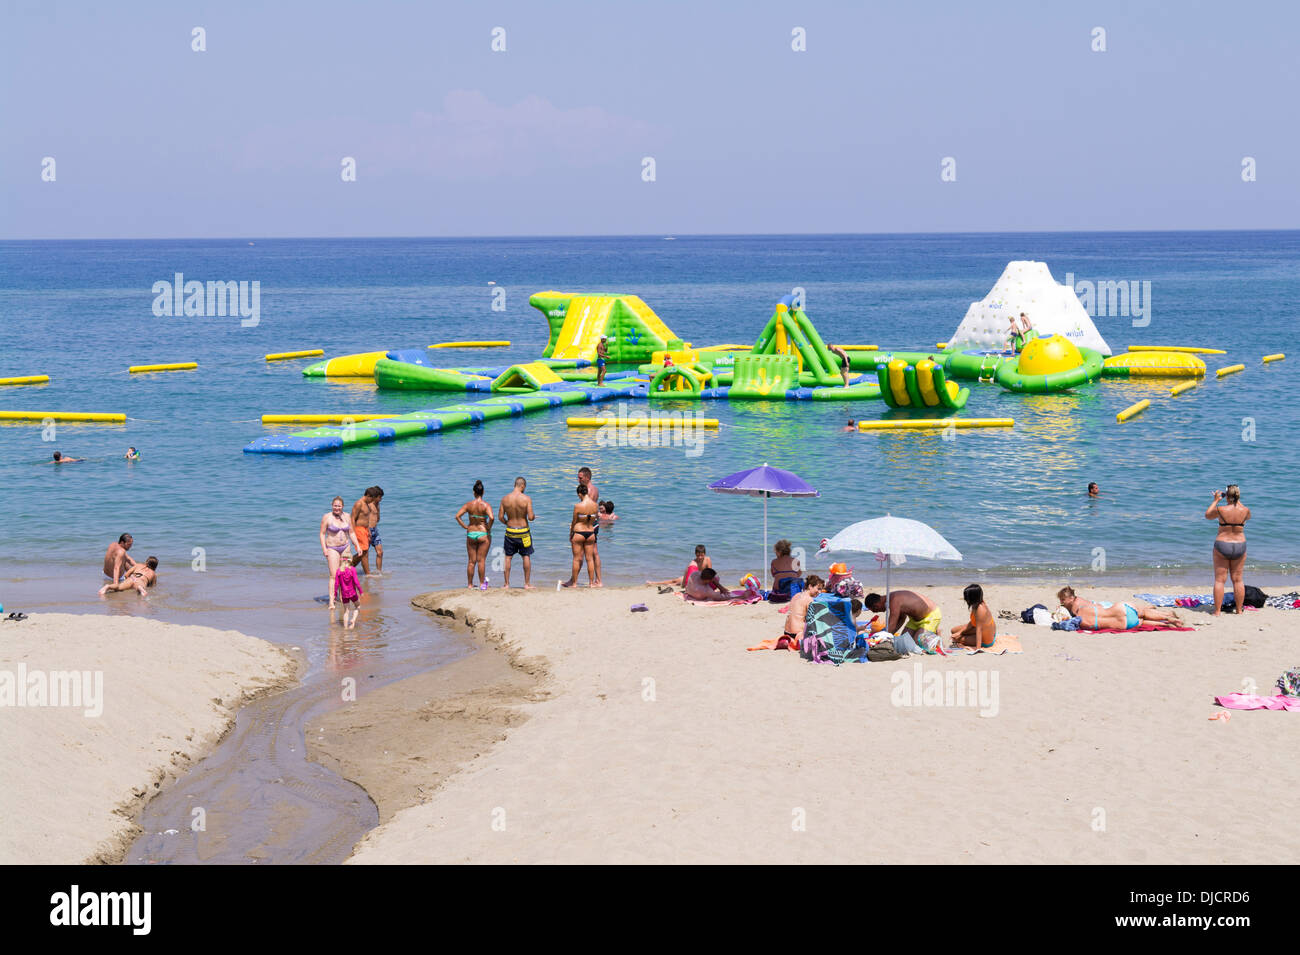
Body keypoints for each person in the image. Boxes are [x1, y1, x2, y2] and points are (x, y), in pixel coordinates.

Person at [1206, 484, 1250, 615]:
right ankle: (1239, 610)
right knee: (1238, 580)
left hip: (1223, 543)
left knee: (1220, 580)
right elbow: (1246, 517)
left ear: (1227, 496)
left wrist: (1215, 501)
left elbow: (1208, 515)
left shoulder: (1221, 509)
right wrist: (1237, 499)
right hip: (1240, 544)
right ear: (1238, 495)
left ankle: (1218, 611)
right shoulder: (1246, 510)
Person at [1056, 586, 1182, 630]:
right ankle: (1168, 617)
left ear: (1071, 599)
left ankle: (1165, 624)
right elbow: (1098, 606)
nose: (1061, 602)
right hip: (1120, 608)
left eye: (1063, 600)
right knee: (1142, 612)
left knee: (1141, 622)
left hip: (1123, 623)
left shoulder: (1080, 617)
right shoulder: (1085, 604)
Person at [320, 496, 360, 612]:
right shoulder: (327, 517)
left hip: (346, 547)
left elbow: (351, 532)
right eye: (335, 505)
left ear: (342, 506)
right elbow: (322, 534)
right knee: (333, 575)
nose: (337, 507)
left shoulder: (347, 516)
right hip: (332, 548)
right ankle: (332, 601)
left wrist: (357, 545)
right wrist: (324, 549)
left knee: (345, 574)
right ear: (332, 505)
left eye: (339, 506)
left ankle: (344, 598)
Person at [499, 476, 536, 589]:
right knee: (526, 556)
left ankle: (506, 584)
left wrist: (507, 523)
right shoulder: (526, 499)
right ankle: (527, 584)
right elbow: (530, 517)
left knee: (508, 557)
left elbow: (500, 517)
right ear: (522, 486)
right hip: (524, 532)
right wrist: (534, 517)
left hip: (510, 532)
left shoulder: (505, 499)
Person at [456, 480, 494, 588]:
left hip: (471, 533)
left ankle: (470, 584)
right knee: (481, 561)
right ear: (483, 492)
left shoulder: (468, 505)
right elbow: (491, 518)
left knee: (471, 561)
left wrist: (464, 526)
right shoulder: (486, 505)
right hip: (483, 533)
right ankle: (482, 584)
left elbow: (457, 516)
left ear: (474, 492)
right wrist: (488, 528)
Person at [563, 483, 600, 588]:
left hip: (579, 532)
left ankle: (574, 583)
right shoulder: (595, 505)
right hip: (590, 532)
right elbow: (594, 518)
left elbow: (574, 521)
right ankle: (591, 583)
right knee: (590, 559)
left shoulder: (578, 506)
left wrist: (571, 533)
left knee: (576, 559)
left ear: (580, 494)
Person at [864, 589, 941, 638]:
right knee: (905, 640)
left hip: (930, 616)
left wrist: (880, 637)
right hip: (914, 620)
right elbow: (901, 619)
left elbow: (892, 624)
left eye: (875, 610)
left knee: (917, 643)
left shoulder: (894, 600)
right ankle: (930, 631)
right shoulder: (890, 600)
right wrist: (889, 634)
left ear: (876, 606)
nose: (878, 612)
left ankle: (936, 632)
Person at [780, 575, 825, 646]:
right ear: (810, 586)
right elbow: (813, 620)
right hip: (797, 634)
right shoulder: (809, 600)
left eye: (821, 589)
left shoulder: (796, 595)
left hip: (786, 633)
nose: (820, 592)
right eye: (818, 589)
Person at [646, 544, 716, 590]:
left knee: (675, 583)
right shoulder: (694, 562)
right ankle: (654, 583)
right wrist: (683, 585)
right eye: (698, 555)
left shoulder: (707, 559)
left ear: (705, 554)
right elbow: (687, 572)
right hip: (692, 578)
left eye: (702, 555)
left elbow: (710, 573)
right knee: (675, 580)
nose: (700, 557)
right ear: (695, 554)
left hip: (702, 579)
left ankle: (670, 585)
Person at [950, 583, 997, 649]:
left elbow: (979, 630)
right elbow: (973, 622)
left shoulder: (980, 610)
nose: (965, 599)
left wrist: (977, 648)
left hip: (987, 638)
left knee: (957, 639)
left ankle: (976, 642)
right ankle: (963, 635)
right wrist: (960, 632)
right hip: (986, 629)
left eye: (966, 597)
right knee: (954, 631)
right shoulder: (978, 603)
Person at [350, 486, 384, 575]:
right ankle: (367, 574)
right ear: (368, 496)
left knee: (364, 553)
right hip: (359, 529)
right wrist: (353, 533)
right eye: (372, 499)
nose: (372, 501)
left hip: (367, 529)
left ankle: (348, 566)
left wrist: (368, 530)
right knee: (364, 553)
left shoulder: (367, 504)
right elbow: (352, 518)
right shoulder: (359, 503)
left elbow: (368, 518)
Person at [578, 466, 602, 585]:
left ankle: (574, 581)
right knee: (594, 552)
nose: (578, 480)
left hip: (588, 525)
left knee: (580, 553)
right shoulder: (595, 489)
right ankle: (598, 580)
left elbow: (588, 511)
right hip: (594, 524)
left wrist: (577, 525)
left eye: (580, 478)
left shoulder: (589, 491)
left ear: (587, 477)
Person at [334, 563, 362, 628]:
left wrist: (335, 595)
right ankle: (353, 620)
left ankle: (346, 628)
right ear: (351, 560)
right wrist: (361, 591)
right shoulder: (352, 569)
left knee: (346, 612)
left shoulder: (339, 570)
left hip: (344, 594)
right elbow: (356, 582)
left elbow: (336, 584)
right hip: (353, 593)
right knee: (358, 606)